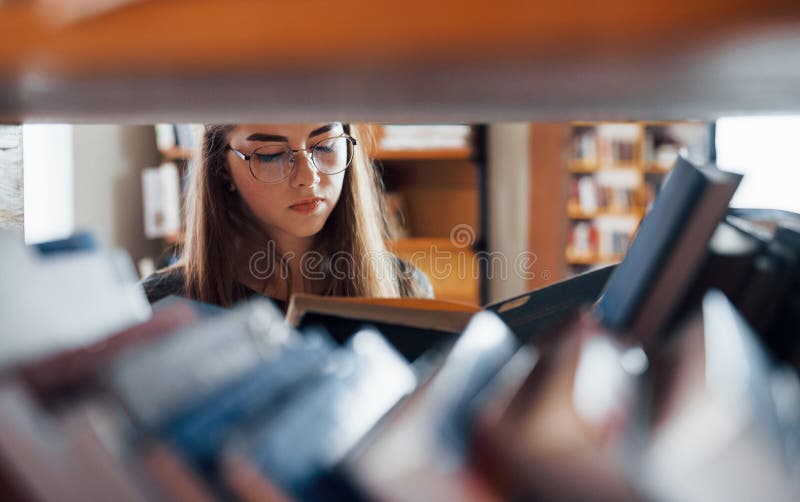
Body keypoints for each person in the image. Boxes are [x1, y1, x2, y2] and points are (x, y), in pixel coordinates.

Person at [141, 122, 433, 310]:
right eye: (271, 154)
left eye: (326, 146)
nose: (308, 177)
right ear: (221, 168)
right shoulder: (161, 304)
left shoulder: (406, 288)